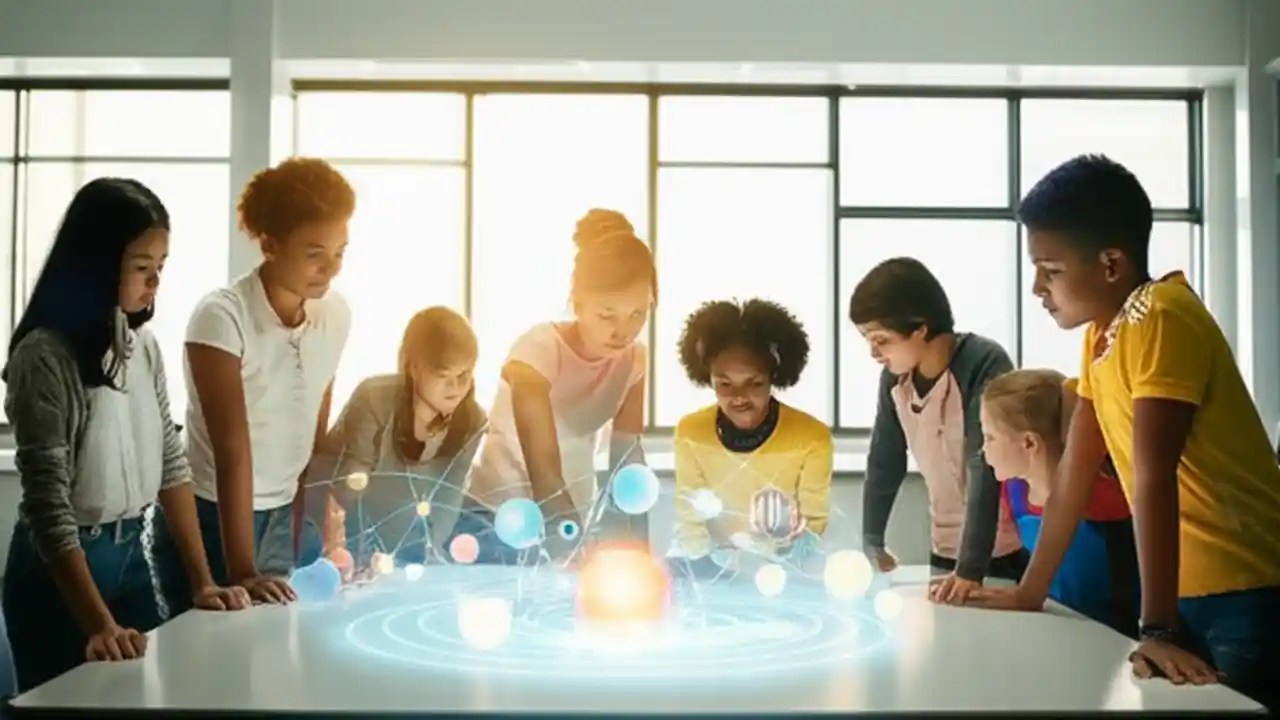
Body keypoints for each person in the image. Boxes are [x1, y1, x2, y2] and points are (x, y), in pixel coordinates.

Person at [969, 154, 1280, 709]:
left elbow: (1153, 476)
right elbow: (1074, 472)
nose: (1038, 287)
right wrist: (1029, 592)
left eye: (1051, 269)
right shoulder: (1101, 337)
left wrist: (1156, 628)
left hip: (1248, 590)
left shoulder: (1160, 314)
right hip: (1183, 592)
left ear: (1111, 263)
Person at [1, 178, 246, 691]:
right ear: (96, 265)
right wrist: (97, 624)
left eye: (161, 268)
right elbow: (49, 505)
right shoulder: (45, 355)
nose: (155, 283)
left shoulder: (143, 344)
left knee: (145, 698)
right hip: (63, 571)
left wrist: (202, 581)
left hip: (133, 551)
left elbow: (171, 463)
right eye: (141, 268)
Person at [161, 157, 356, 610]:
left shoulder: (336, 313)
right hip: (212, 516)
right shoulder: (221, 316)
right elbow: (232, 450)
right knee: (207, 659)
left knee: (267, 660)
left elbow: (316, 405)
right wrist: (243, 570)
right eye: (315, 253)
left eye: (340, 252)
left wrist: (308, 507)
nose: (331, 268)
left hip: (282, 512)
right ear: (270, 245)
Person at [462, 209, 655, 562]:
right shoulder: (537, 350)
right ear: (578, 303)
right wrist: (571, 545)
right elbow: (544, 471)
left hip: (569, 520)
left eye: (638, 313)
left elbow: (627, 462)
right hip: (496, 520)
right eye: (607, 315)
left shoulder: (634, 360)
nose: (623, 331)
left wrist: (639, 551)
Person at [850, 257, 1025, 604]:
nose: (873, 353)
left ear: (919, 328)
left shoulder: (985, 362)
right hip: (944, 549)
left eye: (880, 340)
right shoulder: (895, 380)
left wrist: (970, 570)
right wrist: (871, 540)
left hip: (1004, 551)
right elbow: (885, 460)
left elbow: (984, 464)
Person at [312, 307, 488, 576]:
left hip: (407, 535)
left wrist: (428, 558)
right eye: (444, 376)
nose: (456, 387)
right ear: (414, 368)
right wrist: (352, 555)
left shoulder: (473, 420)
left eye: (465, 375)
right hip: (332, 525)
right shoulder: (374, 399)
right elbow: (347, 489)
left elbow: (447, 501)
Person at [669, 299, 833, 580]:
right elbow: (690, 523)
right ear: (708, 379)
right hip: (706, 570)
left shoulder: (811, 437)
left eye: (754, 383)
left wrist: (777, 555)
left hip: (784, 574)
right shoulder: (690, 432)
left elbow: (813, 528)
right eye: (724, 384)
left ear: (773, 377)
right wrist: (711, 569)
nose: (739, 397)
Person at [979, 369, 1139, 637]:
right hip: (1055, 628)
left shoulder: (1108, 499)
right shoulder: (1014, 491)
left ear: (1029, 442)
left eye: (989, 437)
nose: (983, 449)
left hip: (1115, 640)